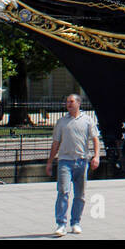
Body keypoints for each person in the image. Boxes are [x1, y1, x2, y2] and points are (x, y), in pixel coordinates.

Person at [45, 94, 100, 235]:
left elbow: (95, 139)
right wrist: (50, 162)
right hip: (65, 161)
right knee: (63, 191)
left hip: (82, 161)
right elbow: (55, 143)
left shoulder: (88, 120)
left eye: (71, 102)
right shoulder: (62, 122)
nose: (68, 104)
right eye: (67, 102)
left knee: (80, 195)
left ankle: (76, 222)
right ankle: (61, 224)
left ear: (78, 103)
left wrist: (96, 156)